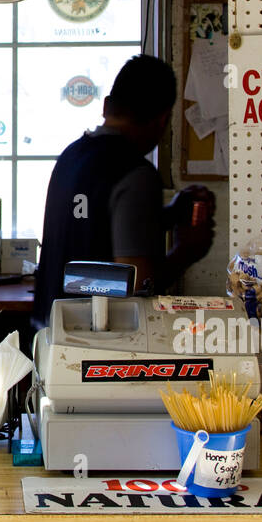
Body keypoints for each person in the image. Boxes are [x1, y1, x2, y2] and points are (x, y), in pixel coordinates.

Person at [32, 54, 215, 328]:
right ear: (163, 120)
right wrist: (186, 251)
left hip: (47, 336)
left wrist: (168, 216)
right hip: (94, 348)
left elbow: (92, 227)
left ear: (106, 105)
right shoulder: (136, 174)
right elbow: (135, 287)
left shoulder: (70, 157)